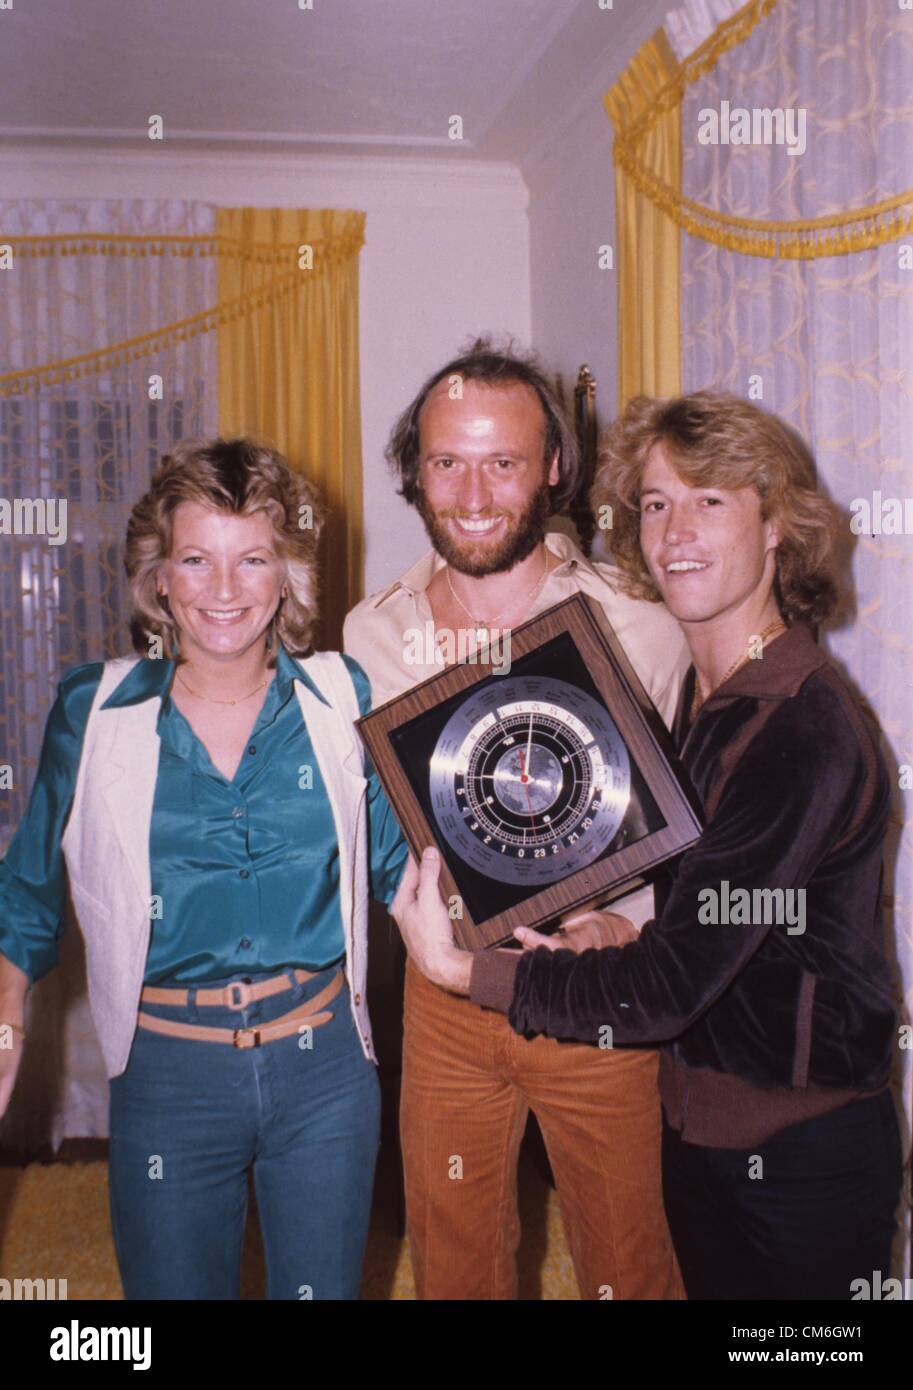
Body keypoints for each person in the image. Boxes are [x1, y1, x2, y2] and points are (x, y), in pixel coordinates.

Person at [392, 390, 904, 1301]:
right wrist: (618, 929)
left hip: (797, 1157)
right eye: (657, 503)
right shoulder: (718, 707)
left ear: (777, 525)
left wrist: (469, 974)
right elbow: (699, 924)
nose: (675, 530)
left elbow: (668, 990)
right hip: (705, 1133)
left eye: (711, 500)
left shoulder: (800, 727)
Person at [0, 437, 408, 1300]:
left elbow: (403, 871)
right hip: (168, 1079)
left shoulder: (344, 700)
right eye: (196, 560)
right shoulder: (94, 708)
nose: (224, 591)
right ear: (159, 579)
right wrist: (6, 1020)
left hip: (325, 1069)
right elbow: (27, 895)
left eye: (251, 559)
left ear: (288, 574)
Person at [344, 339, 690, 1300]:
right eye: (447, 460)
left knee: (628, 1266)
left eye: (504, 461)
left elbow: (692, 825)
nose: (473, 491)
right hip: (442, 1001)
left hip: (595, 991)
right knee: (453, 1266)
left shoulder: (643, 624)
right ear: (414, 473)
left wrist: (624, 924)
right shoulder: (368, 633)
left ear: (552, 470)